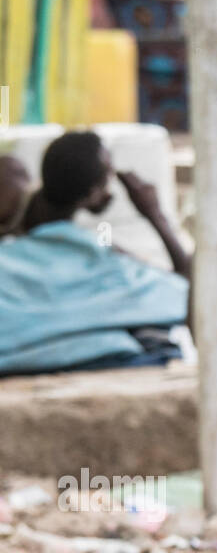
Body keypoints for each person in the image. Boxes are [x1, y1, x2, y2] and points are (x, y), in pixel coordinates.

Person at [0, 131, 189, 376]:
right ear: (92, 193)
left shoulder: (11, 254)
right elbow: (186, 290)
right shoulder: (107, 261)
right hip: (104, 355)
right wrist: (154, 214)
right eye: (107, 176)